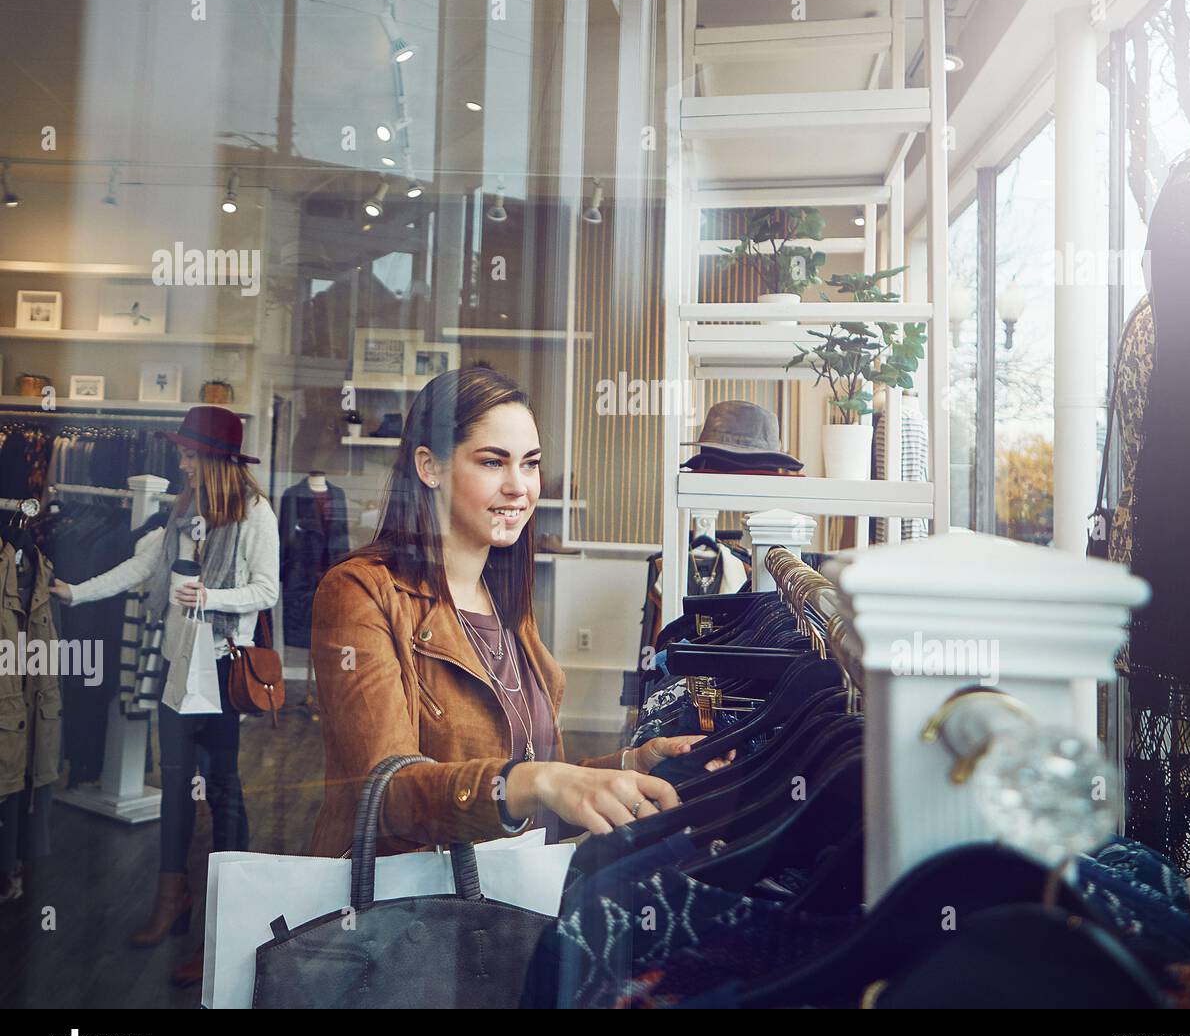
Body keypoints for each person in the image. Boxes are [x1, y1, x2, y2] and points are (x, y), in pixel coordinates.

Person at [310, 364, 732, 859]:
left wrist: (631, 765)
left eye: (530, 464)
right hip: (404, 922)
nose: (520, 487)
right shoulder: (362, 592)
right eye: (493, 462)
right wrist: (540, 780)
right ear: (430, 467)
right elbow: (386, 795)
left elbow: (529, 792)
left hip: (496, 911)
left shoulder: (506, 603)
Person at [52, 405, 279, 988]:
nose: (181, 461)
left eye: (188, 453)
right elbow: (139, 568)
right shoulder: (182, 512)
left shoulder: (255, 513)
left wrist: (212, 597)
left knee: (223, 791)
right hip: (178, 669)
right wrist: (75, 593)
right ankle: (171, 900)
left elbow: (267, 590)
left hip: (224, 672)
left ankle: (227, 922)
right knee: (177, 788)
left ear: (214, 460)